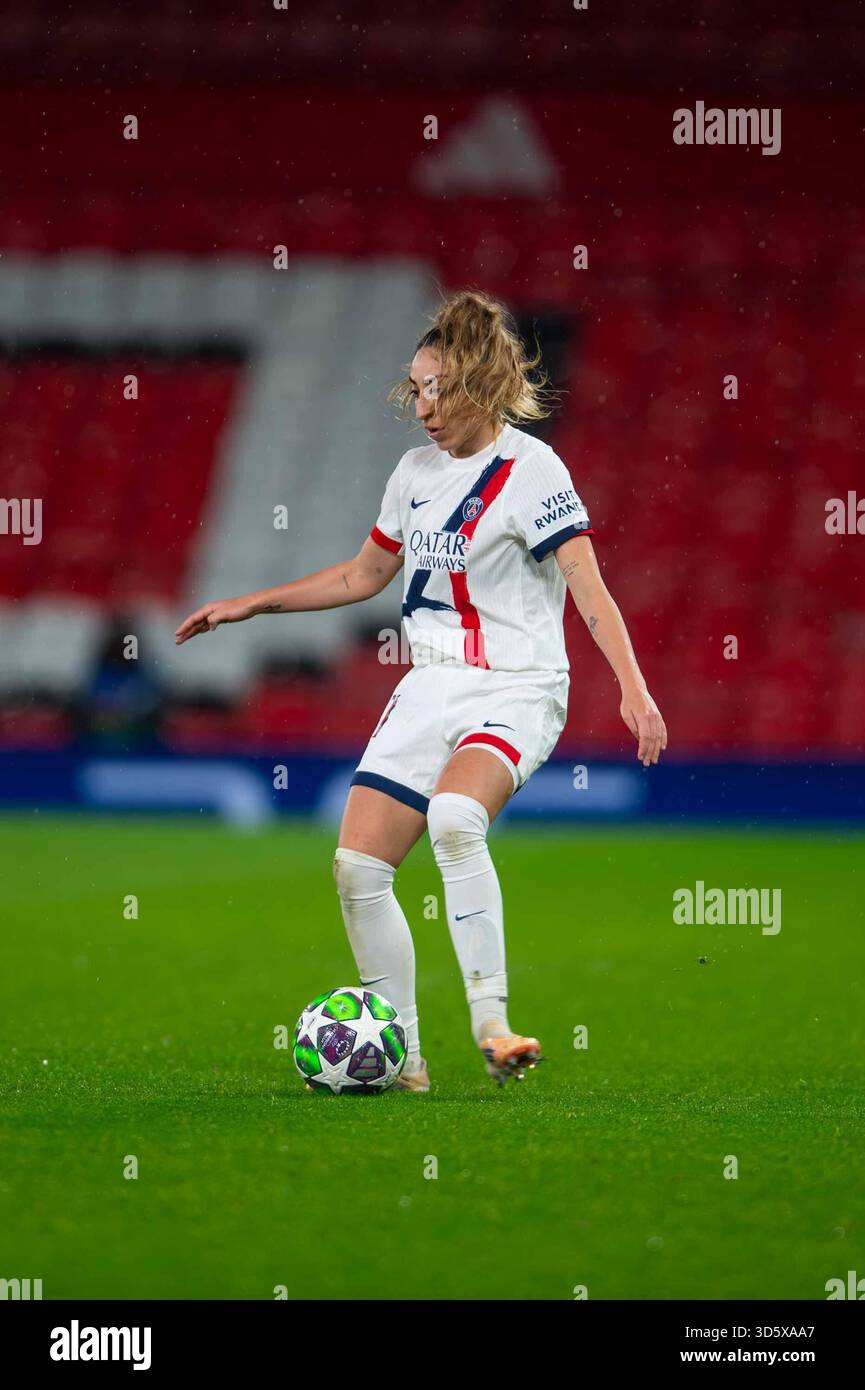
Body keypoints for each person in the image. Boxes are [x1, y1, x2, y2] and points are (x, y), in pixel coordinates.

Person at [176, 290, 667, 1091]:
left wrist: (633, 689)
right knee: (356, 869)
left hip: (516, 685)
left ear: (481, 384)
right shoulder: (414, 474)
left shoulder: (531, 470)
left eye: (437, 388)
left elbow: (587, 584)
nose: (423, 406)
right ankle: (402, 1054)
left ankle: (492, 1024)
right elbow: (363, 575)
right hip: (432, 684)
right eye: (416, 388)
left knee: (453, 817)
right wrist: (251, 603)